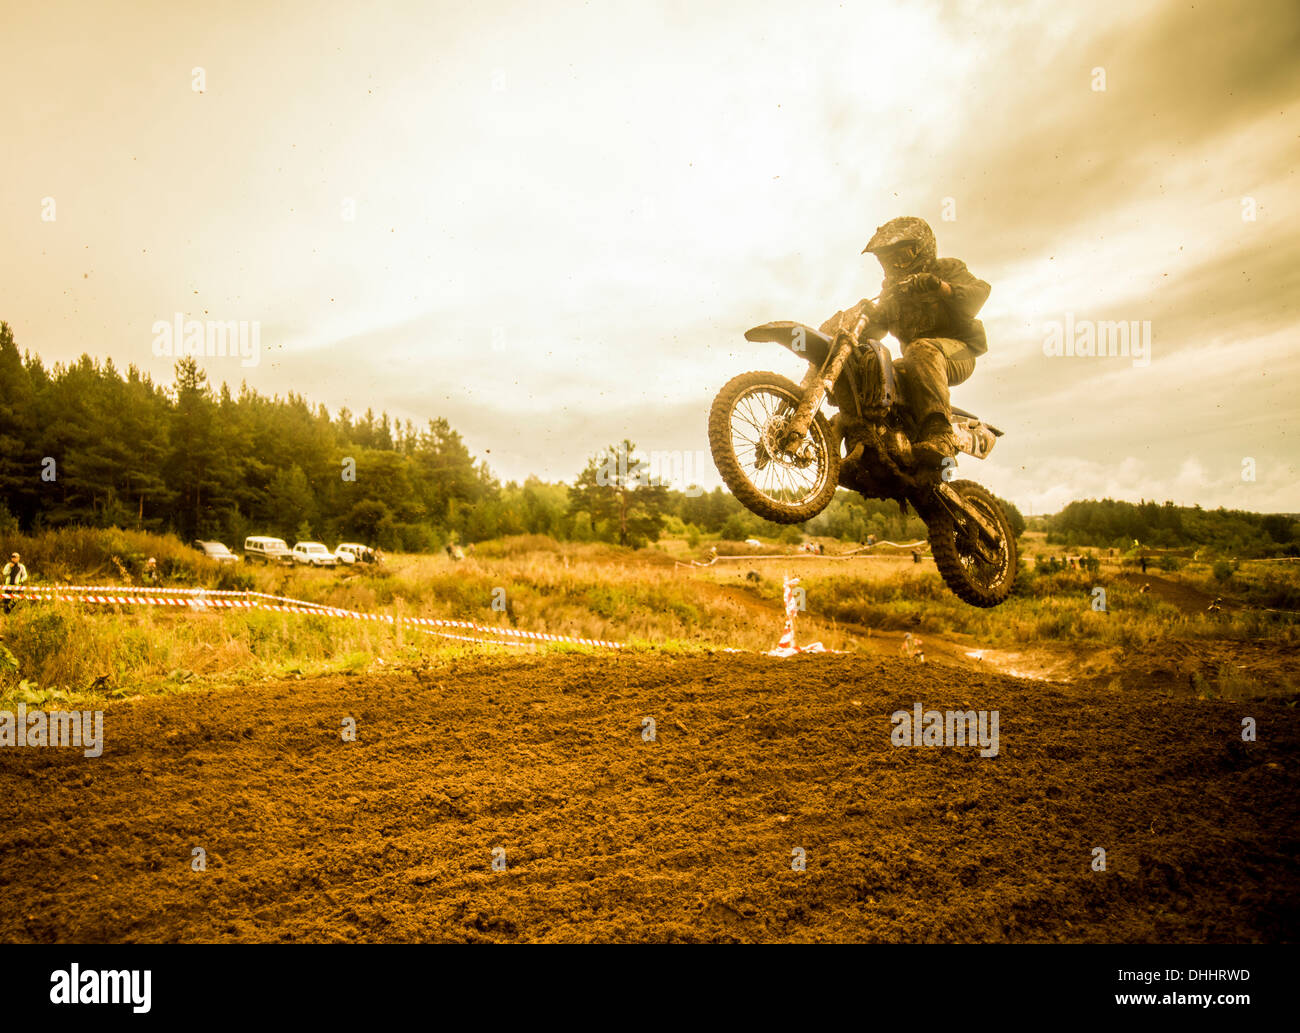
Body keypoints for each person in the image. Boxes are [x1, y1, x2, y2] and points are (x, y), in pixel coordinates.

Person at [821, 216, 991, 465]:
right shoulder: (891, 293)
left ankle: (939, 435)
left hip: (958, 353)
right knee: (878, 372)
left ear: (922, 249)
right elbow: (873, 330)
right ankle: (885, 443)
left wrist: (939, 286)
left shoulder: (946, 270)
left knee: (920, 348)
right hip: (917, 362)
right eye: (889, 260)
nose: (896, 264)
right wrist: (846, 329)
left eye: (903, 255)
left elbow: (978, 294)